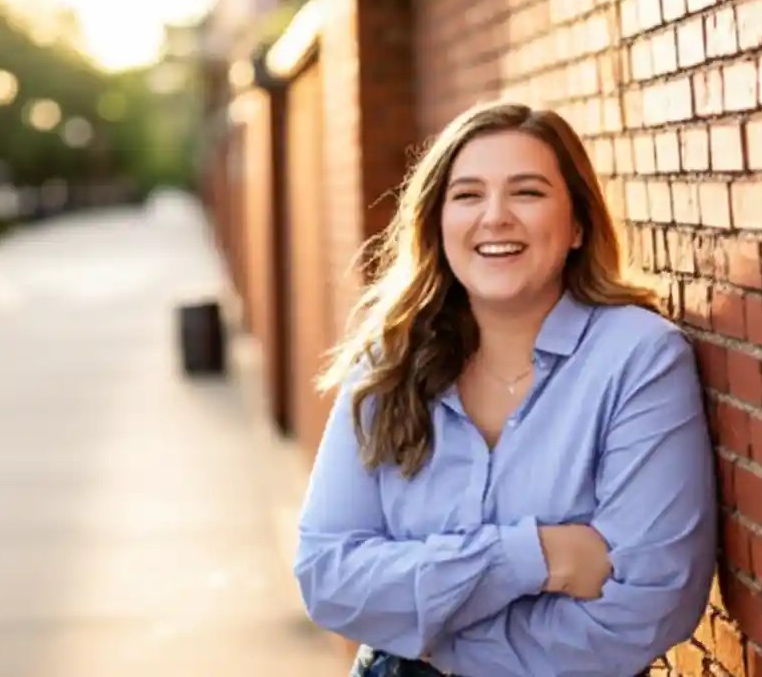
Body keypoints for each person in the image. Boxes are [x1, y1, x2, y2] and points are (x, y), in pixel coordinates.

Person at [293, 102, 717, 677]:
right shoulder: (387, 361)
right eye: (467, 195)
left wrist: (434, 636)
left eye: (528, 192)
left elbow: (648, 605)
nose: (495, 217)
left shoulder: (639, 358)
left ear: (577, 226)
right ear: (438, 225)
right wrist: (536, 556)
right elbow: (327, 576)